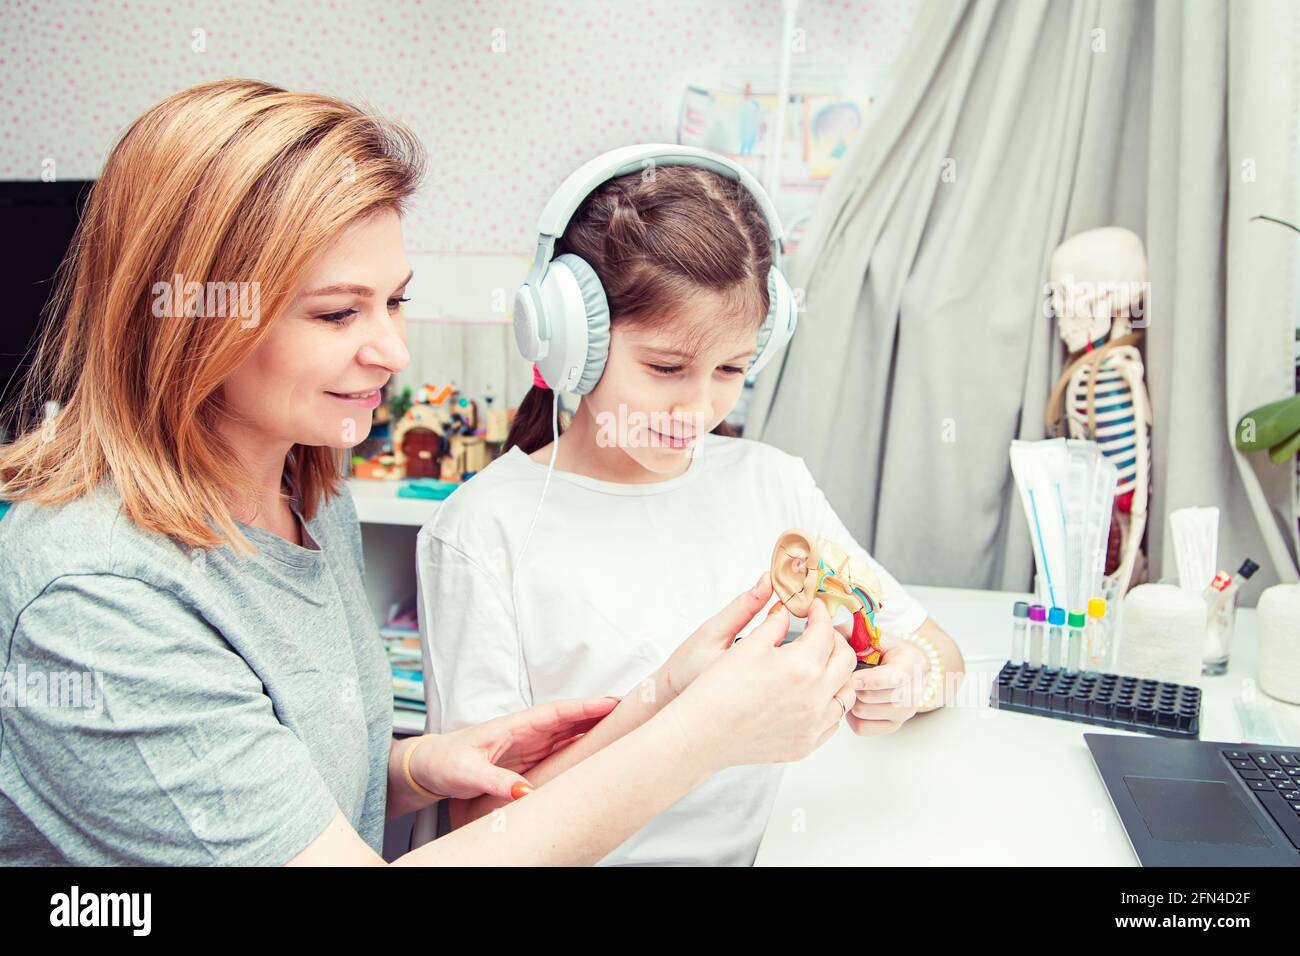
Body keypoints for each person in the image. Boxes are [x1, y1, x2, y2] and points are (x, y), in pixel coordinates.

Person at [0, 80, 857, 866]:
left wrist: (417, 766)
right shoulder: (95, 601)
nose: (393, 351)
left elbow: (272, 786)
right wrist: (701, 735)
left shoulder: (301, 489)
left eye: (396, 300)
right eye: (339, 313)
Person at [415, 149, 967, 865]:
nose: (699, 407)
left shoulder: (774, 485)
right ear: (570, 339)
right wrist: (692, 719)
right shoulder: (482, 530)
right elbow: (479, 827)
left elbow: (940, 653)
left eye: (731, 369)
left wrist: (906, 680)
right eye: (667, 368)